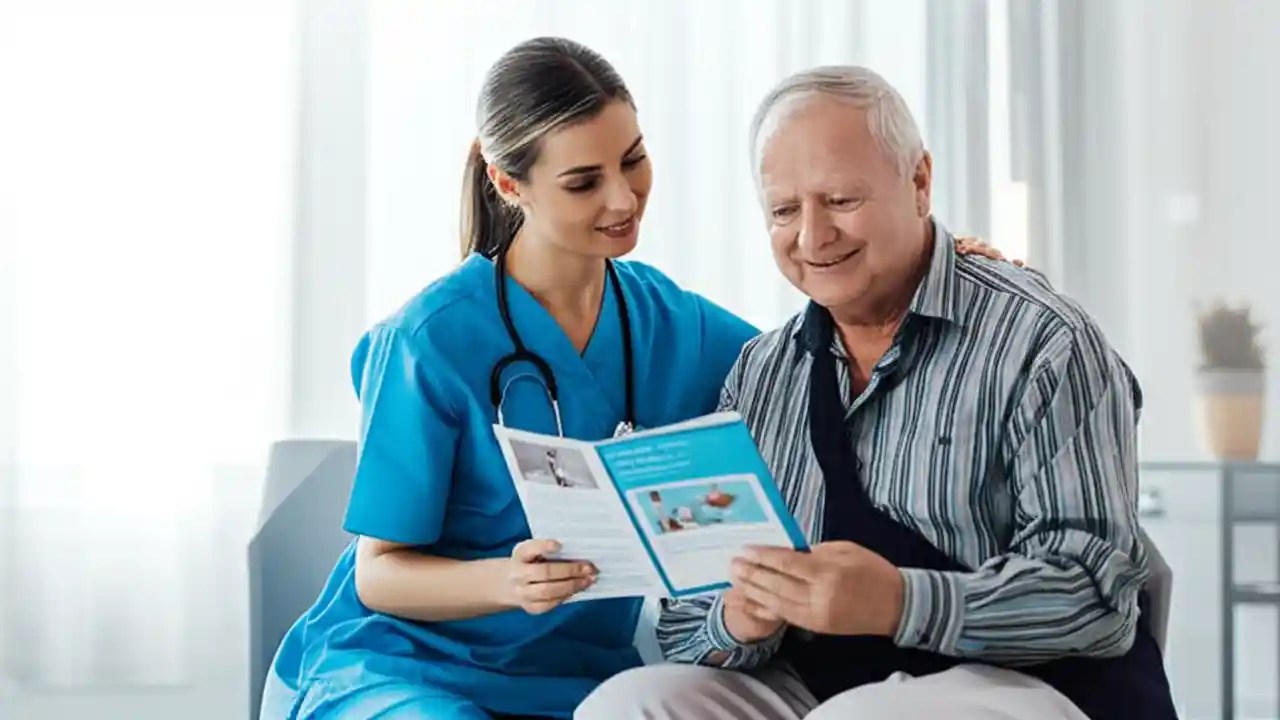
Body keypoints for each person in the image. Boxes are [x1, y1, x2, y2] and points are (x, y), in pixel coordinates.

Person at [258, 37, 1013, 720]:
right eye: (584, 182)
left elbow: (821, 364)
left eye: (633, 159)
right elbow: (379, 576)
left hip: (577, 678)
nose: (623, 199)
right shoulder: (428, 341)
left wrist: (925, 263)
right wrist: (507, 584)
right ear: (508, 183)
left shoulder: (668, 321)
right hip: (406, 672)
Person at [575, 67, 1178, 720]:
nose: (812, 236)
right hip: (818, 684)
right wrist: (736, 617)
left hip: (1032, 684)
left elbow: (1096, 596)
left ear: (919, 183)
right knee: (628, 705)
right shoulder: (761, 371)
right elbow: (687, 618)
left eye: (840, 200)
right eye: (784, 210)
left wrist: (898, 601)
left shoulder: (1043, 342)